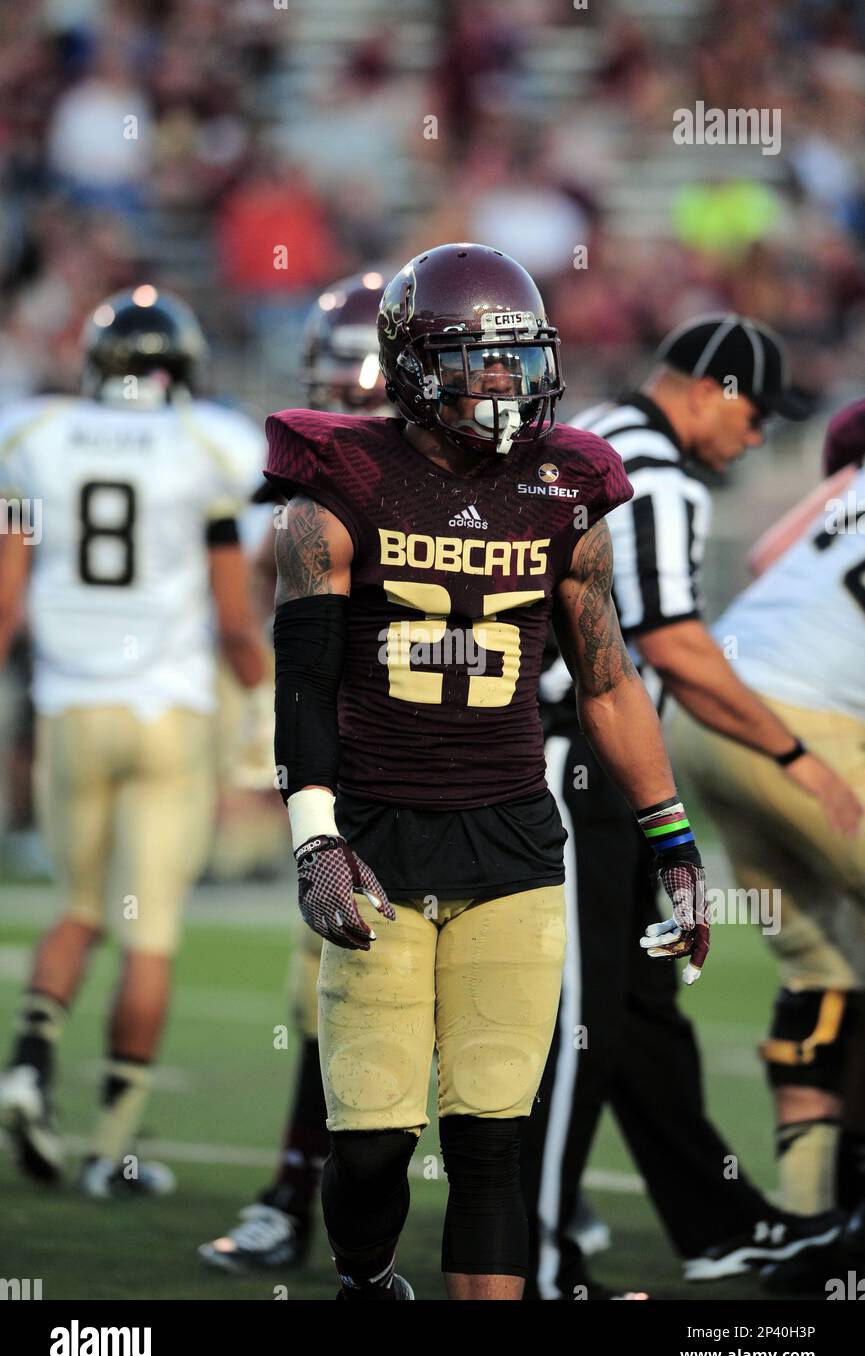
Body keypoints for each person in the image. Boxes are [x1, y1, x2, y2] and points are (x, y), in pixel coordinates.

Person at [263, 242, 711, 1302]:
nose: (505, 381)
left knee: (490, 1136)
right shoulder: (334, 485)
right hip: (374, 834)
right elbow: (304, 687)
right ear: (414, 366)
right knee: (369, 1142)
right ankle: (366, 1279)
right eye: (478, 359)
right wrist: (315, 838)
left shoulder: (566, 488)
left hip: (512, 841)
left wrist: (673, 840)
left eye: (518, 358)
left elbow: (607, 685)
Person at [521, 314, 860, 1297]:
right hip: (575, 755)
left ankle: (717, 1221)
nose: (755, 440)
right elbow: (671, 644)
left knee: (639, 1007)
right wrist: (793, 754)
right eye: (754, 416)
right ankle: (536, 1258)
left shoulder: (595, 433)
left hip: (595, 757)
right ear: (709, 388)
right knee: (581, 1016)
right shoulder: (654, 478)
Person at [0, 286, 266, 1196]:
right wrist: (269, 706)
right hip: (168, 712)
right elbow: (235, 620)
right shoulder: (208, 446)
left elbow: (5, 598)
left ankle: (30, 1058)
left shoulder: (35, 440)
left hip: (69, 710)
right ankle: (113, 1147)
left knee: (76, 909)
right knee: (147, 935)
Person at [199, 270, 394, 1271]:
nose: (351, 399)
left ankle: (542, 1206)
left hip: (452, 755)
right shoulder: (302, 482)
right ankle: (294, 1193)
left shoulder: (450, 479)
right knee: (325, 981)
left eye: (361, 383)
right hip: (341, 757)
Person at [672, 398, 865, 1282]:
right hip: (799, 725)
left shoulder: (846, 489)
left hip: (710, 709)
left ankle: (807, 1221)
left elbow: (762, 555)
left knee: (821, 972)